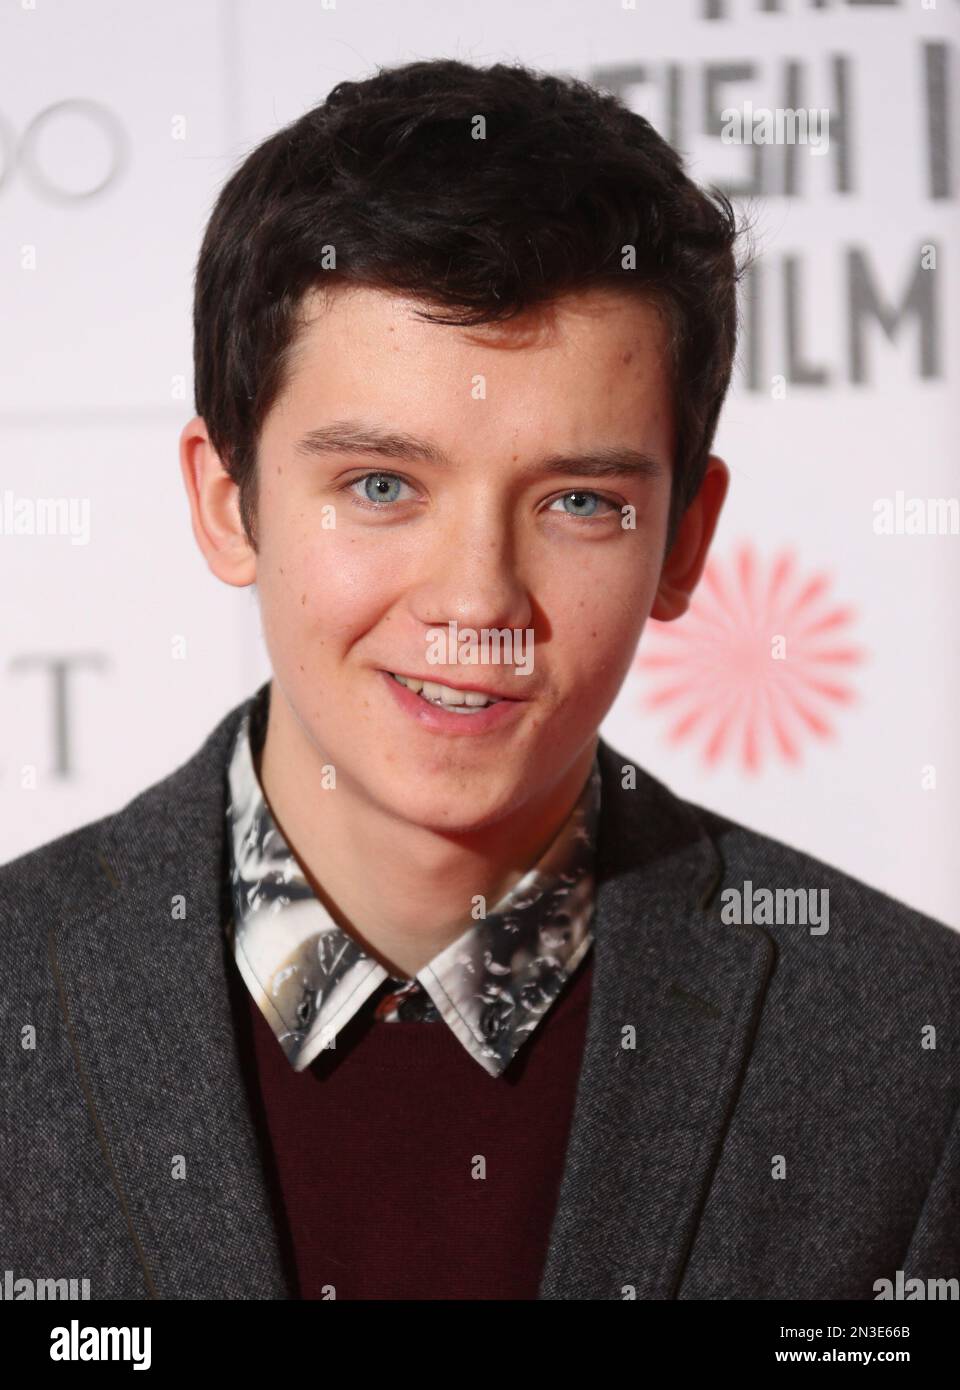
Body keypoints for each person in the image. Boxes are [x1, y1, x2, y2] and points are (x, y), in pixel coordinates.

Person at [3, 58, 958, 1303]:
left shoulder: (908, 1056)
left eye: (578, 502)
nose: (477, 602)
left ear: (685, 541)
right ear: (226, 501)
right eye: (382, 487)